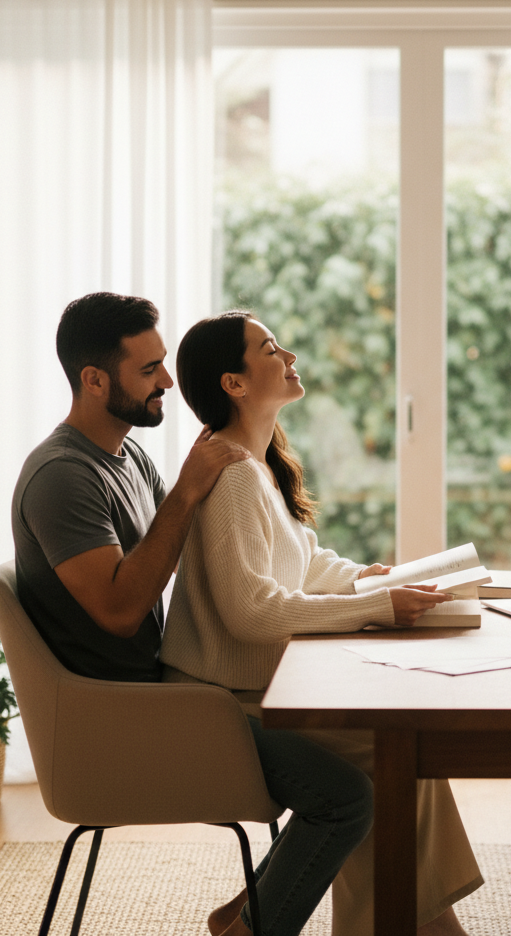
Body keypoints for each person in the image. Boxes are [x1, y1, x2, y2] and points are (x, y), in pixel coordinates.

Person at [12, 293, 376, 936]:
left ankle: (253, 915)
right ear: (94, 380)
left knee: (383, 751)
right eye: (148, 369)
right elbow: (121, 612)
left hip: (163, 696)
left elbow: (206, 564)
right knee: (345, 797)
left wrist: (339, 574)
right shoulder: (63, 477)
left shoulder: (129, 458)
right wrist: (189, 491)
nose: (168, 381)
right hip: (120, 720)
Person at [160, 309, 484, 936]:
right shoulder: (233, 477)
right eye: (271, 348)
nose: (290, 356)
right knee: (397, 754)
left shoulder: (254, 464)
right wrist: (376, 607)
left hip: (257, 691)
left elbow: (301, 561)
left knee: (403, 748)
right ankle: (428, 926)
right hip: (221, 706)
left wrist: (371, 579)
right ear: (234, 383)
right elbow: (252, 610)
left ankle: (416, 923)